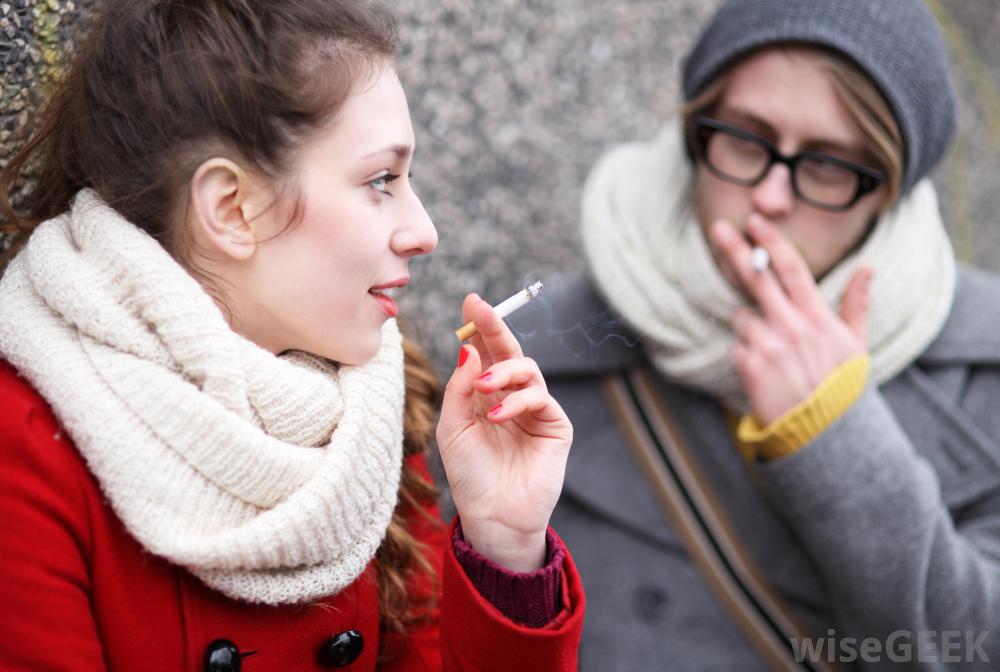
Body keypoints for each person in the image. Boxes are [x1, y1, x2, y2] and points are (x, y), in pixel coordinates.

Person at [0, 1, 583, 670]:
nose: (425, 232)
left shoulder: (367, 406)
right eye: (381, 180)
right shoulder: (26, 447)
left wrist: (505, 543)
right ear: (232, 209)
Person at [510, 0, 1000, 670]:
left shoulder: (985, 363)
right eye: (745, 138)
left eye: (828, 164)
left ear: (889, 193)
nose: (771, 195)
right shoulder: (544, 354)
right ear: (695, 133)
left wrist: (837, 438)